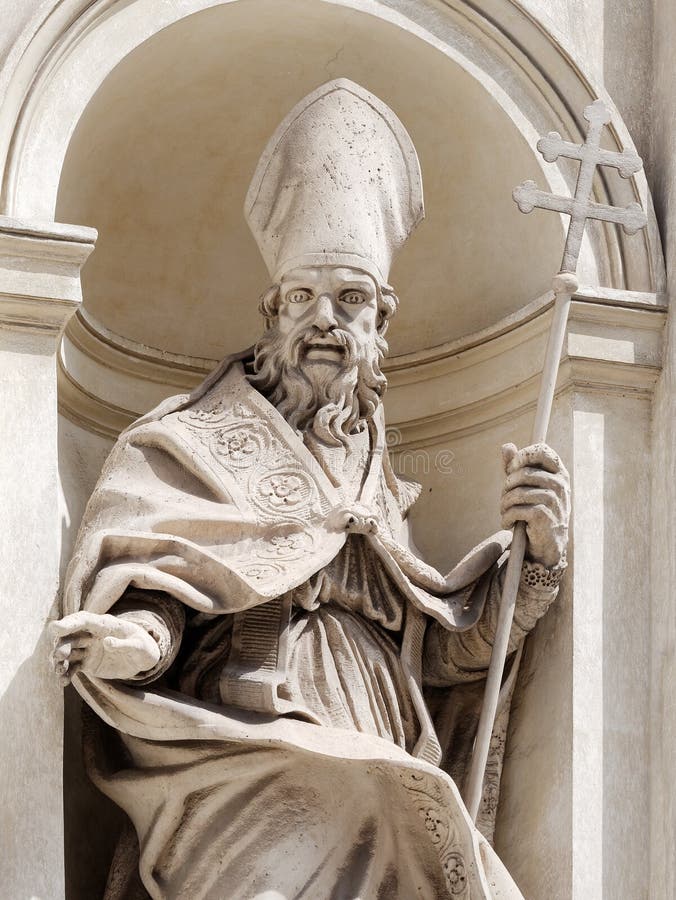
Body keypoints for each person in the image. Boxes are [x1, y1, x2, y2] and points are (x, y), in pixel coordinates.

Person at [51, 79, 569, 900]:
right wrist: (130, 644)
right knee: (378, 797)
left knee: (396, 796)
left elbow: (440, 650)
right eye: (304, 298)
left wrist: (530, 557)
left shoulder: (375, 475)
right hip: (239, 737)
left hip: (374, 724)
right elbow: (163, 596)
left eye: (351, 301)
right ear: (273, 315)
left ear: (378, 331)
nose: (325, 319)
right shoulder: (190, 442)